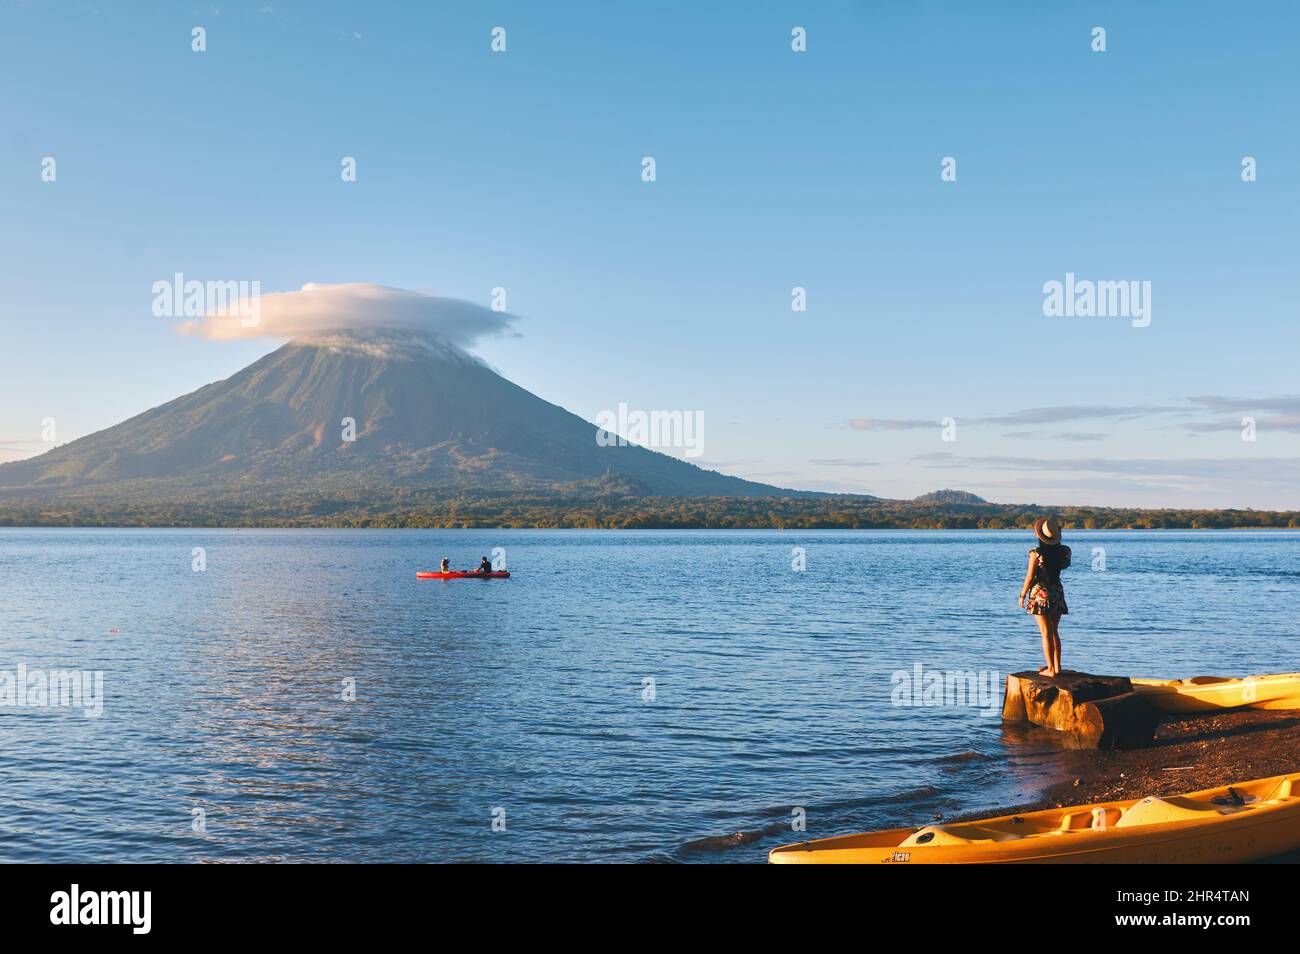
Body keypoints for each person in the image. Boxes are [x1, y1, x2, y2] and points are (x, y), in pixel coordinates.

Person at [1019, 517, 1070, 677]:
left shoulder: (1036, 553)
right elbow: (1063, 565)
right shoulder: (1065, 552)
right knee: (1054, 631)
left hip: (1041, 592)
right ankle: (1057, 666)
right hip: (1057, 590)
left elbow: (1029, 577)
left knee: (1045, 632)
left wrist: (1022, 595)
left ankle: (1050, 669)